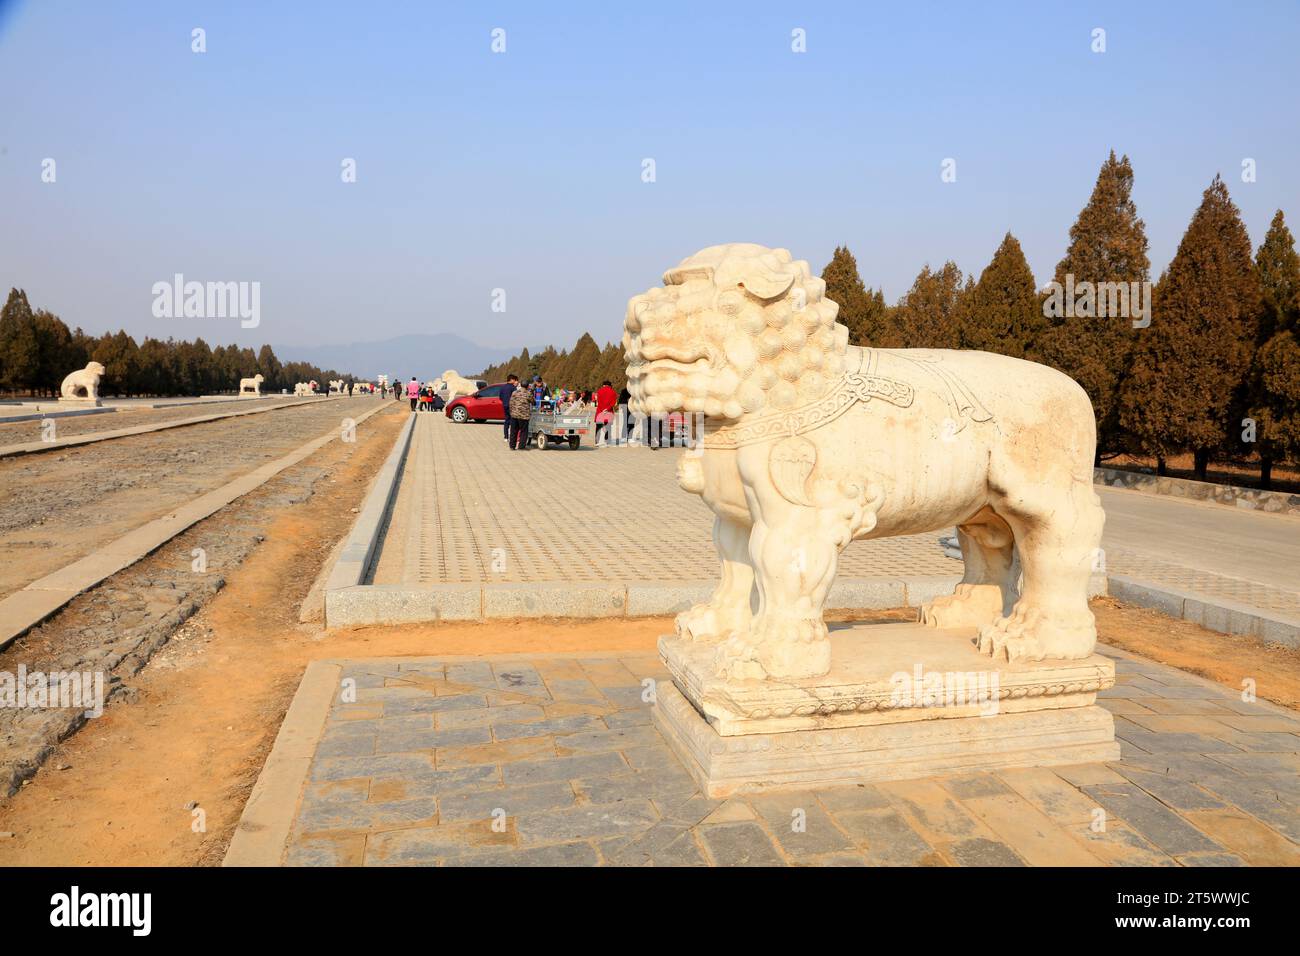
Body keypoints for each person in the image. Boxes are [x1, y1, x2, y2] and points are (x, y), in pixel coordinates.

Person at [508, 376, 533, 449]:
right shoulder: (528, 393)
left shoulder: (514, 392)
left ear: (521, 385)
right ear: (528, 386)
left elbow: (511, 403)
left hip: (514, 415)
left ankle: (512, 446)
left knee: (513, 431)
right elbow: (533, 402)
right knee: (524, 431)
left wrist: (512, 412)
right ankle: (521, 446)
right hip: (524, 416)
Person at [594, 380, 617, 446]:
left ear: (604, 385)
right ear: (610, 385)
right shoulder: (613, 392)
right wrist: (607, 409)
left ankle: (597, 441)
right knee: (608, 427)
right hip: (608, 411)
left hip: (600, 411)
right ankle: (607, 441)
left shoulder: (599, 391)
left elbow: (599, 401)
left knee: (598, 427)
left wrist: (602, 410)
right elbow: (613, 403)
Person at [500, 374, 519, 441]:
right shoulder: (513, 387)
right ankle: (512, 437)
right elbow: (516, 397)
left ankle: (506, 437)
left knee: (506, 421)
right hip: (512, 407)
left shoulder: (503, 387)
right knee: (513, 422)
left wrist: (505, 402)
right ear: (511, 380)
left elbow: (500, 397)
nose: (514, 381)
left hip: (505, 405)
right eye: (514, 379)